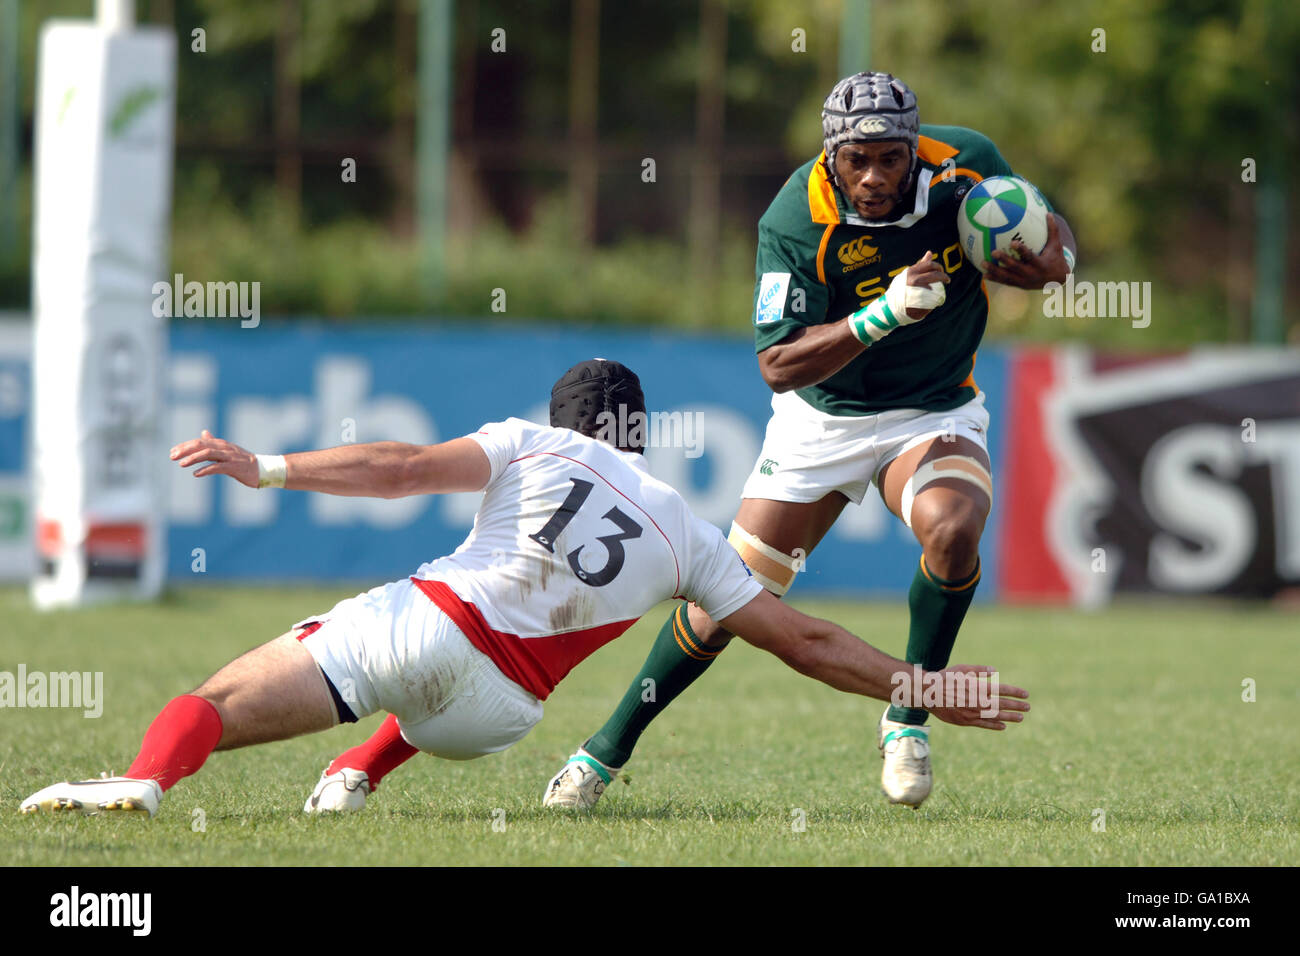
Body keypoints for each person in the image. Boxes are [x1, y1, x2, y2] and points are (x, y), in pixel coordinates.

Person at [19, 360, 1028, 819]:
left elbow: (401, 465)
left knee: (216, 697)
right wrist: (932, 690)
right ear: (640, 430)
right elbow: (804, 639)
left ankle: (144, 780)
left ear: (563, 417)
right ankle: (358, 772)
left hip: (427, 628)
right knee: (440, 682)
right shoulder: (686, 529)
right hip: (495, 721)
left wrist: (270, 466)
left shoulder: (530, 440)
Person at [537, 72, 1076, 810]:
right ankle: (603, 753)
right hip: (821, 420)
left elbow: (1041, 222)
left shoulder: (966, 163)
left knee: (953, 531)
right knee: (725, 604)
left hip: (933, 411)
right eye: (857, 159)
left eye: (891, 157)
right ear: (831, 155)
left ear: (914, 148)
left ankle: (907, 721)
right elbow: (778, 364)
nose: (875, 175)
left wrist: (1058, 260)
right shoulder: (795, 219)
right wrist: (881, 316)